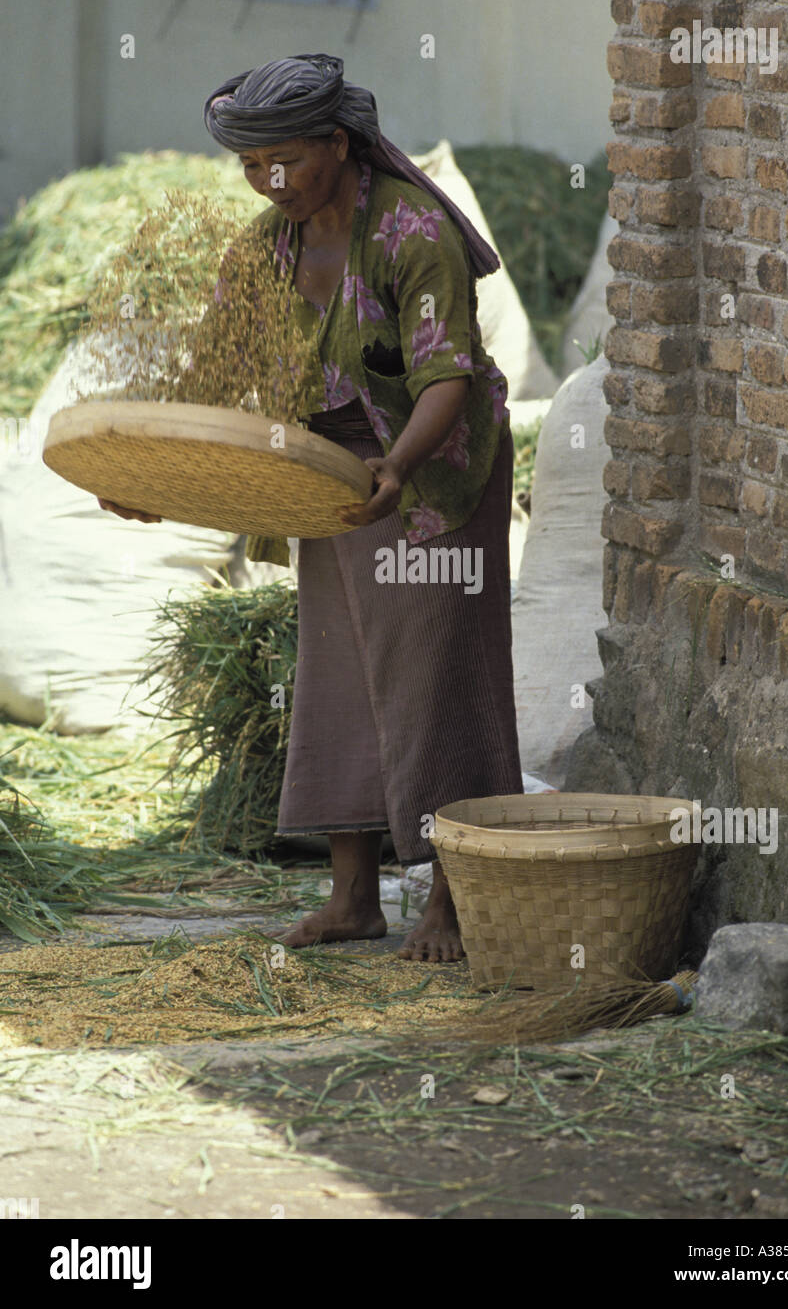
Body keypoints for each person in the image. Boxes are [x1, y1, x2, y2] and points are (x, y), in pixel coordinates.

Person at [100, 54, 523, 962]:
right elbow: (215, 381)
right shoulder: (263, 248)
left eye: (284, 162)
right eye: (252, 168)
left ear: (338, 142)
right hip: (324, 471)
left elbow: (444, 375)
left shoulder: (413, 230)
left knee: (435, 674)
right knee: (339, 672)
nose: (269, 183)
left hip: (432, 471)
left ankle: (451, 903)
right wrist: (149, 481)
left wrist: (397, 468)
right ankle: (352, 900)